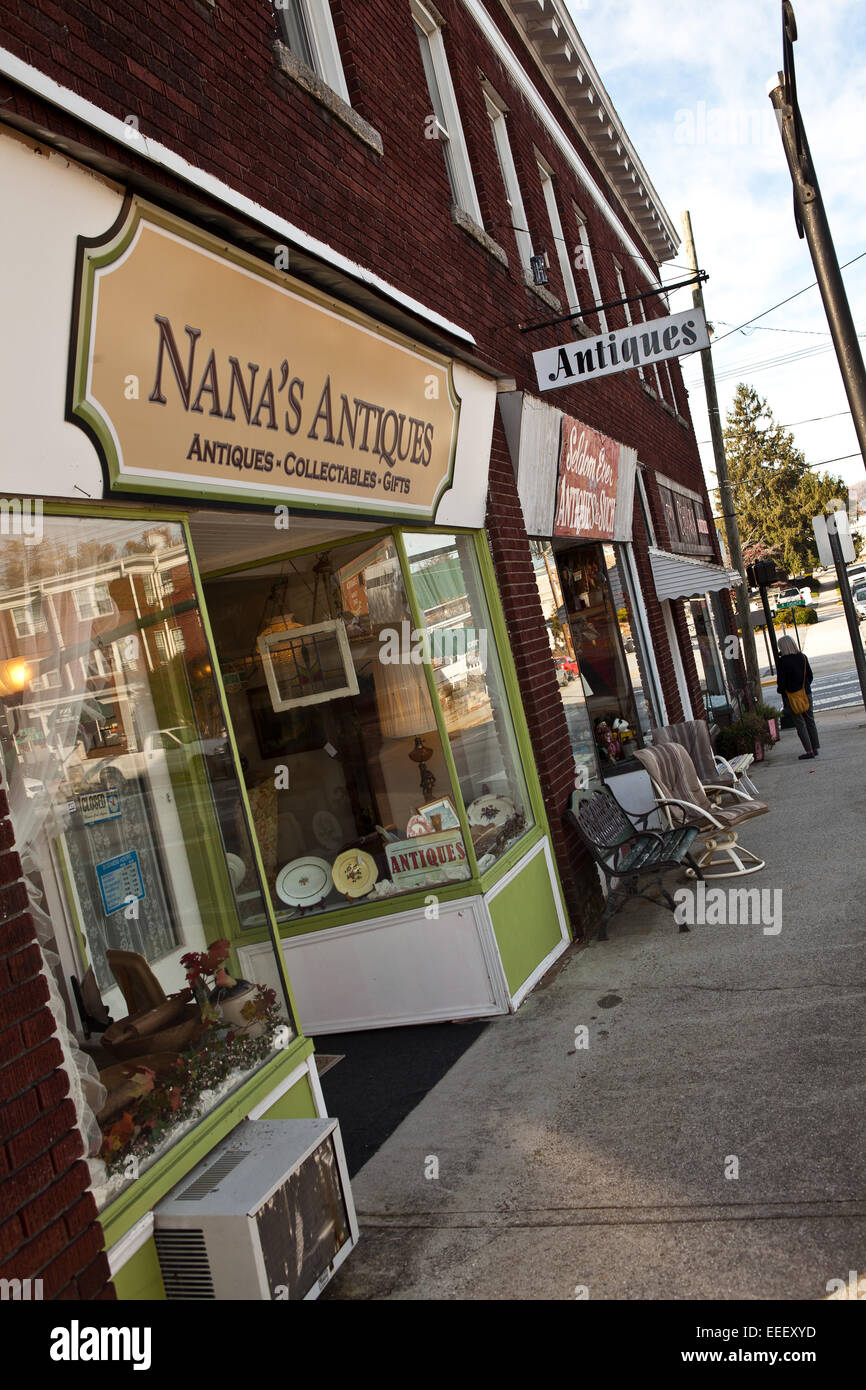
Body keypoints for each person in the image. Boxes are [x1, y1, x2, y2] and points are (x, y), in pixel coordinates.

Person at [776, 634, 819, 760]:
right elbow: (810, 676)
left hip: (792, 697)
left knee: (800, 724)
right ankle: (815, 748)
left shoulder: (783, 662)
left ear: (782, 647)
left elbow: (782, 683)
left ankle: (809, 750)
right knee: (810, 721)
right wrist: (805, 686)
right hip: (806, 693)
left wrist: (781, 691)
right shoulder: (803, 657)